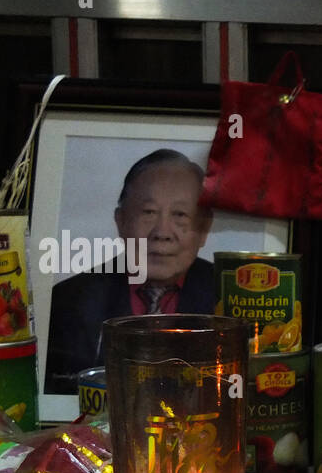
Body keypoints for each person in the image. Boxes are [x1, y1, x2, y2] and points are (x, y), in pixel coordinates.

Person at [44, 149, 216, 394]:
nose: (162, 233)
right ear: (121, 221)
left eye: (180, 215)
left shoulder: (230, 297)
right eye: (149, 213)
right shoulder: (68, 302)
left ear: (204, 228)